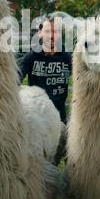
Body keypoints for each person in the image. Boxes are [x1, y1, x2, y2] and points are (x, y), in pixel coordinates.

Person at [20, 16, 72, 164]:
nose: (52, 35)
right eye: (48, 31)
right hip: (38, 120)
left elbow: (80, 80)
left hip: (61, 119)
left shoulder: (66, 58)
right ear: (40, 33)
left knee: (67, 159)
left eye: (56, 31)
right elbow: (16, 79)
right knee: (39, 161)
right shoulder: (31, 57)